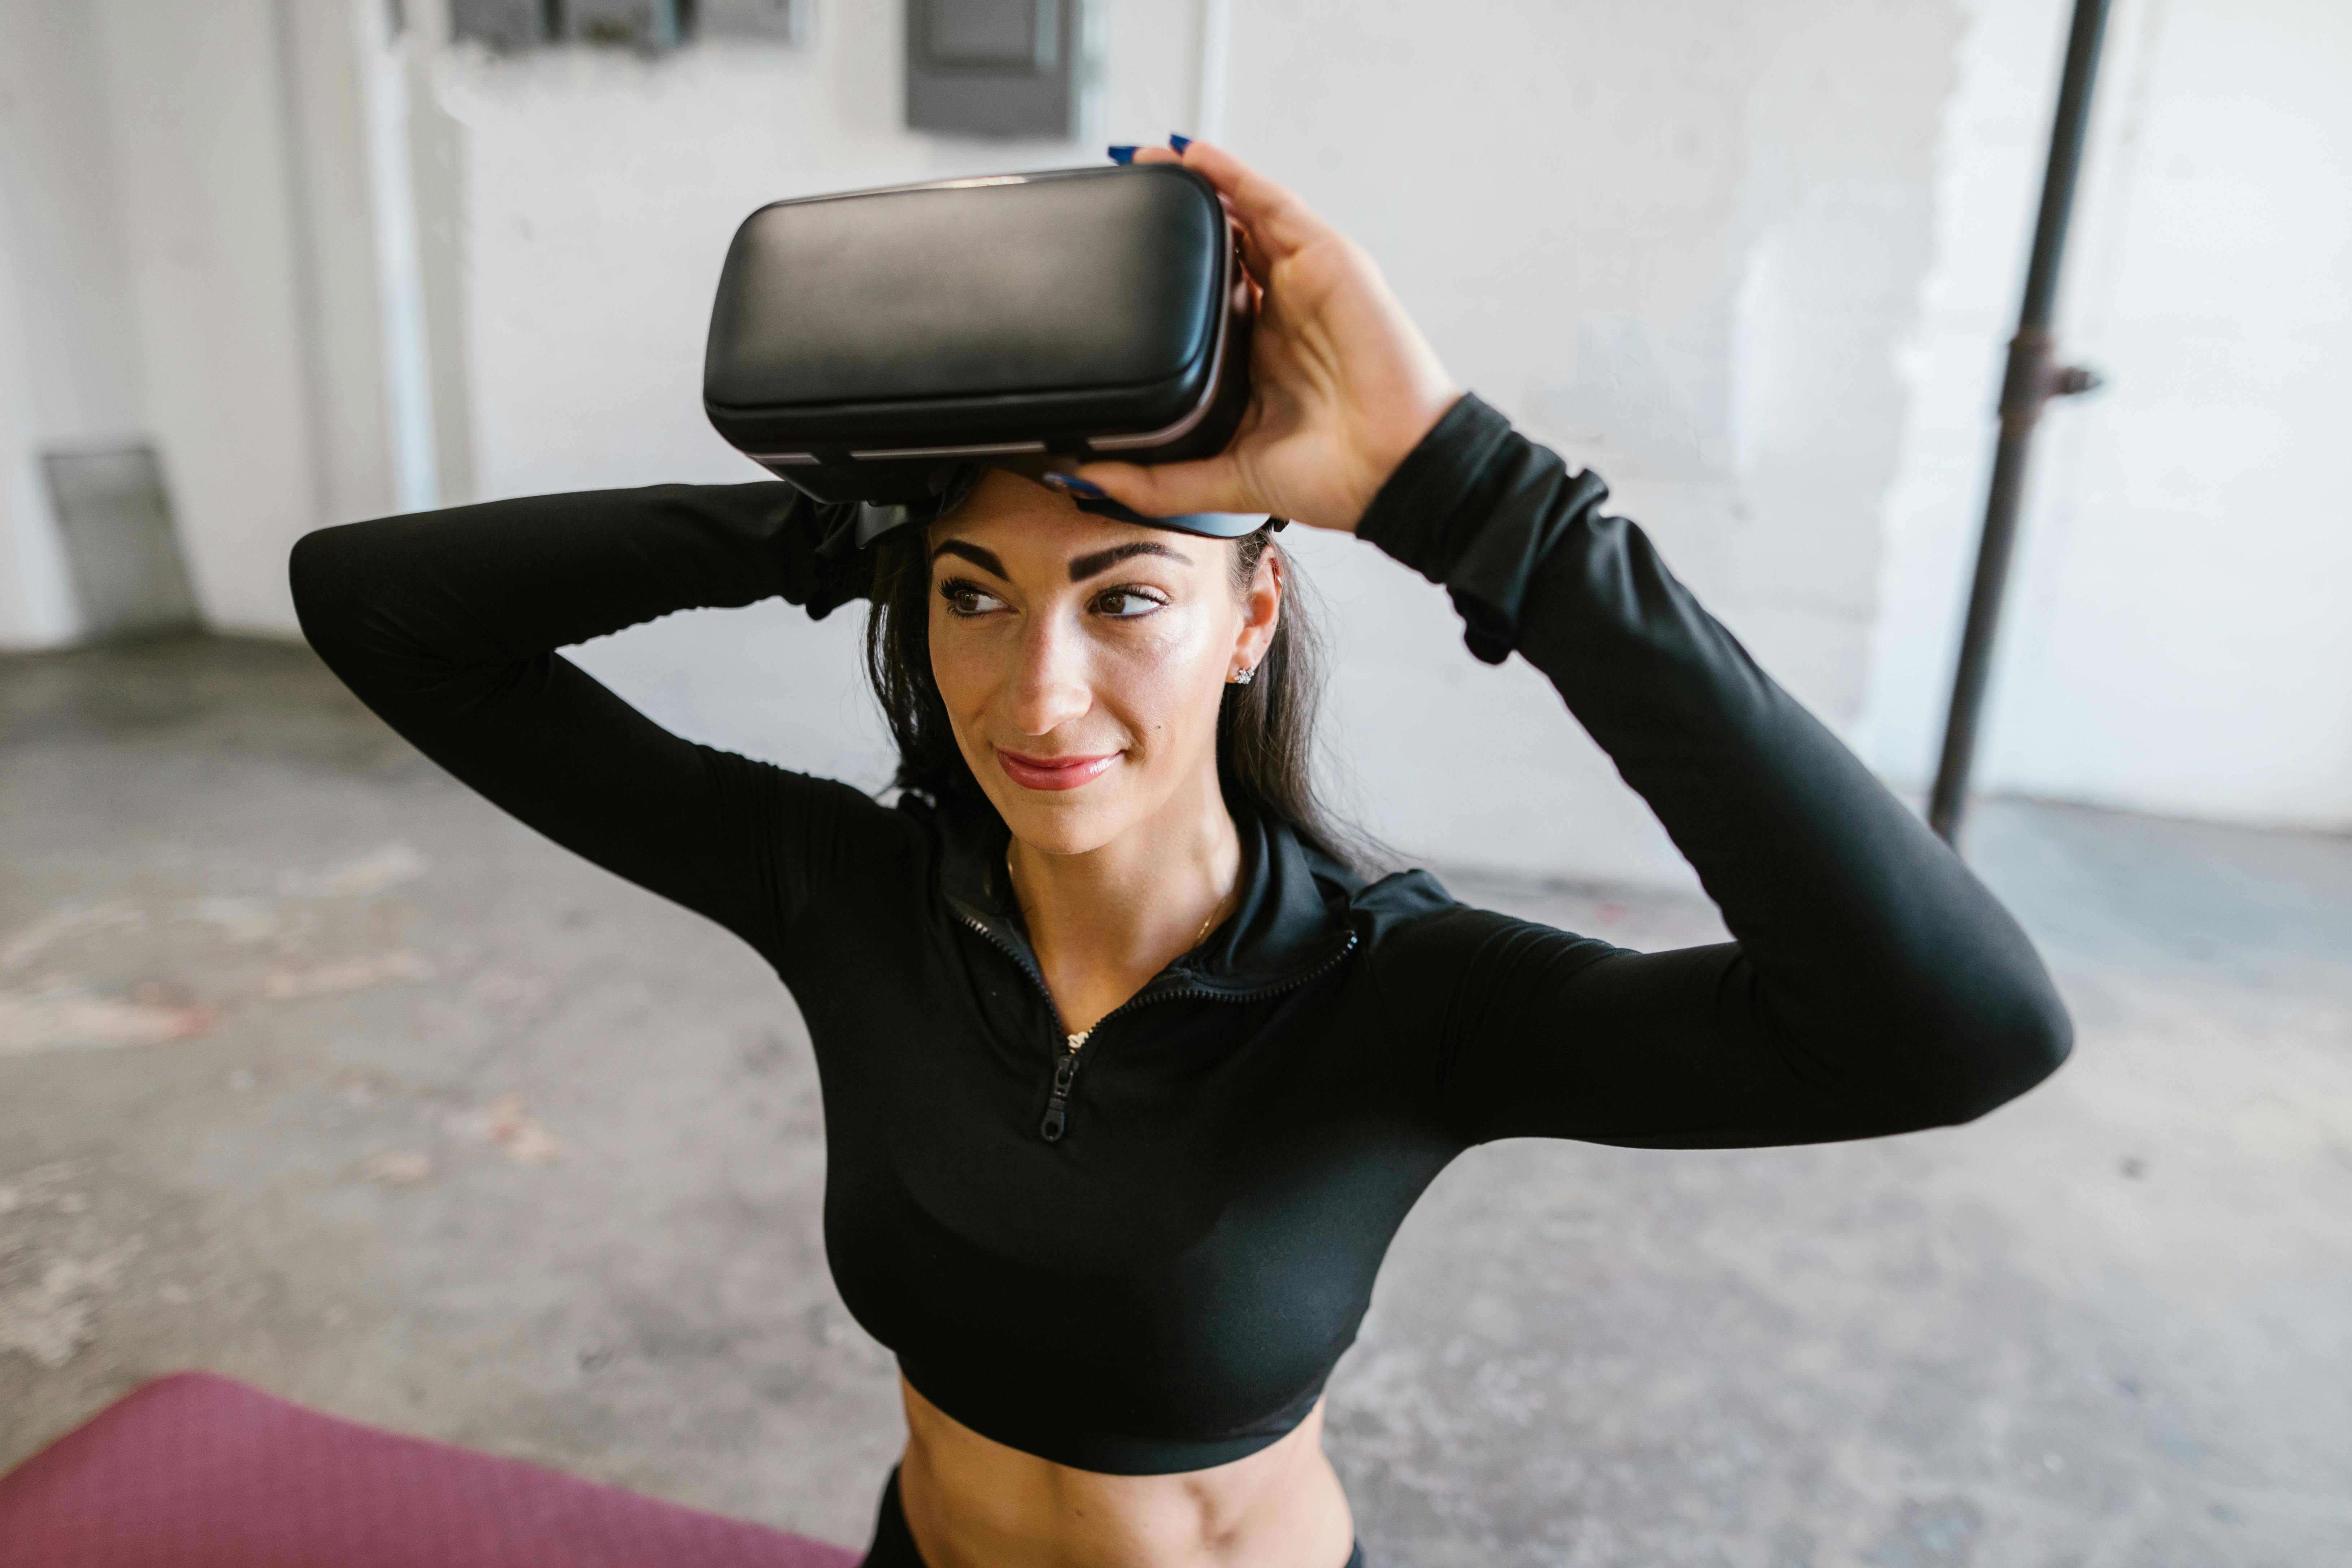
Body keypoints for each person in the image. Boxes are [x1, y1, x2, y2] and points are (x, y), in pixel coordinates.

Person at [289, 139, 2070, 1568]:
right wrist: (843, 516)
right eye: (972, 599)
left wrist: (1480, 501)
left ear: (1250, 611)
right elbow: (378, 609)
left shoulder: (1408, 994)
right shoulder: (840, 889)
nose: (1037, 690)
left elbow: (1958, 1030)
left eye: (1125, 594)